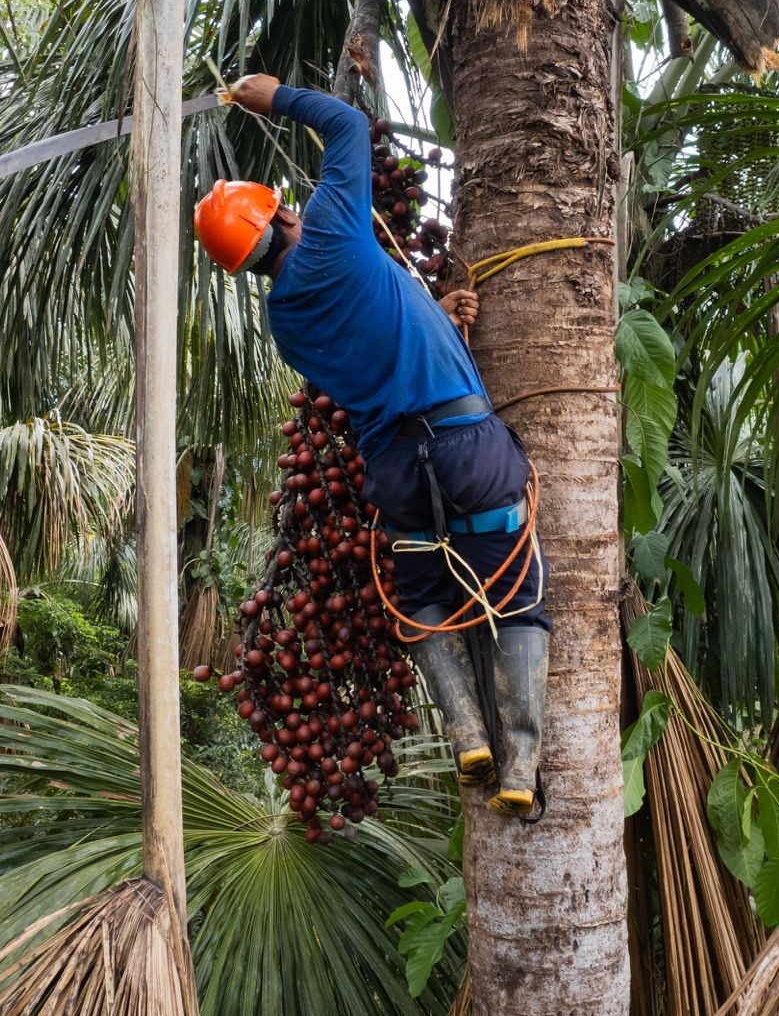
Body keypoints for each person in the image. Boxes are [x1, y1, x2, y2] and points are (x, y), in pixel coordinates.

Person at [192, 72, 548, 818]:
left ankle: (465, 731)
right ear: (282, 212)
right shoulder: (328, 231)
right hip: (465, 445)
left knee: (421, 598)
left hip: (396, 472)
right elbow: (350, 128)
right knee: (516, 593)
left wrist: (434, 310)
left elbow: (376, 347)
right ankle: (518, 760)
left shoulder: (284, 321)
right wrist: (274, 96)